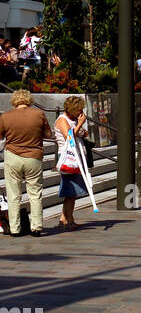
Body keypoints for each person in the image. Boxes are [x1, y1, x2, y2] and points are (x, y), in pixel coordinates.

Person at [0, 88, 53, 236]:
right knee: (35, 193)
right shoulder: (39, 114)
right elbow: (48, 134)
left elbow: (0, 135)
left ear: (14, 101)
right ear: (29, 100)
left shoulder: (6, 116)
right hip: (33, 156)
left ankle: (15, 228)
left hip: (13, 156)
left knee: (13, 194)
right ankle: (36, 227)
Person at [54, 96, 90, 230]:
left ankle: (66, 217)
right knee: (70, 189)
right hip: (68, 157)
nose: (80, 113)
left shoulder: (73, 120)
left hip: (77, 157)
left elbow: (80, 133)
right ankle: (67, 218)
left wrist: (81, 128)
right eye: (78, 110)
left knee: (73, 191)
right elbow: (69, 137)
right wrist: (80, 124)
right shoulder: (62, 120)